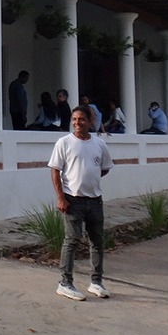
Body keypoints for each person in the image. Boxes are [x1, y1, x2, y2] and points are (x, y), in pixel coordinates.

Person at [49, 105, 114, 301]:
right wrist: (60, 197)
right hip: (72, 200)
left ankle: (96, 282)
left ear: (90, 121)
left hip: (95, 200)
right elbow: (55, 170)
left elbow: (105, 168)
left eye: (81, 119)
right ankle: (65, 283)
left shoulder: (99, 144)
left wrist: (90, 177)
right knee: (72, 240)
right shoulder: (64, 143)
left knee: (97, 241)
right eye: (74, 119)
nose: (77, 123)